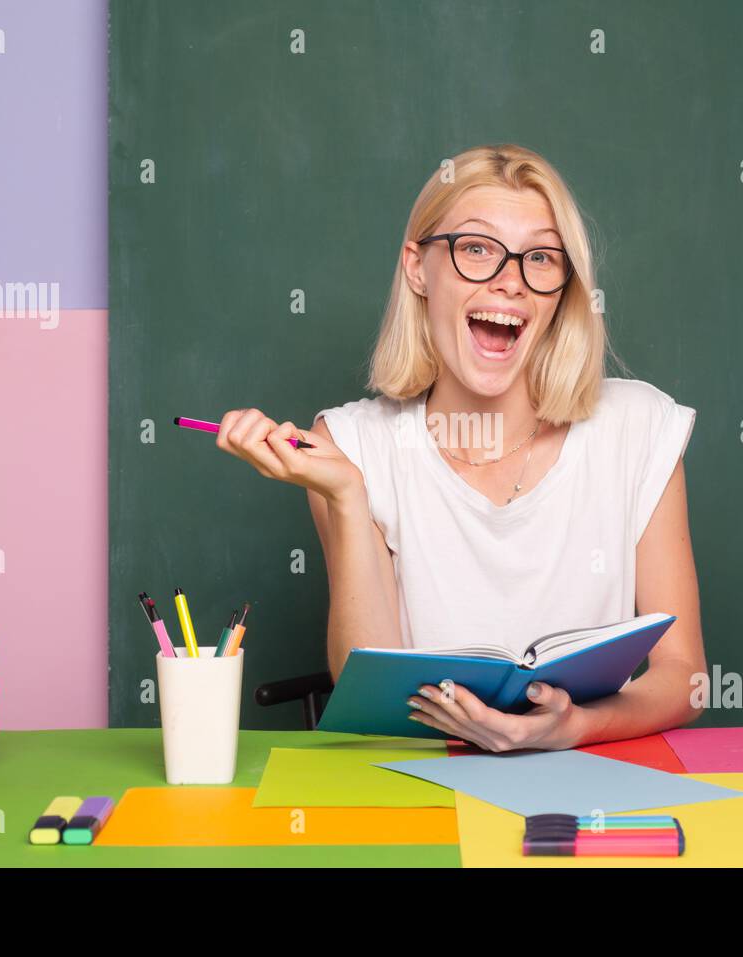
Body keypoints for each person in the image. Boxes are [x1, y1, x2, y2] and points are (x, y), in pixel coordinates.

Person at [216, 144, 705, 752]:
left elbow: (686, 679)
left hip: (590, 793)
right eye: (476, 249)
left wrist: (572, 726)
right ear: (418, 267)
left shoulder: (638, 427)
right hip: (421, 797)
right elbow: (369, 690)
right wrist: (346, 493)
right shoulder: (351, 447)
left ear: (562, 292)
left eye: (542, 258)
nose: (509, 280)